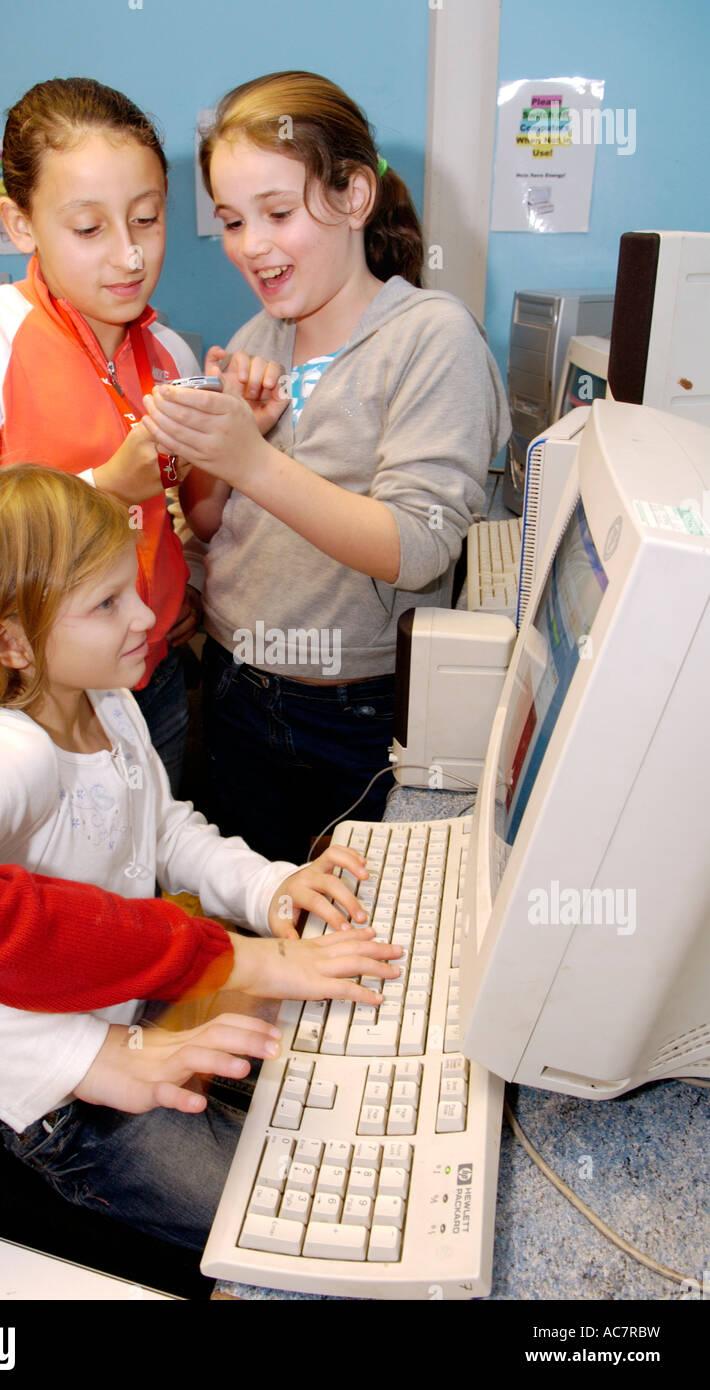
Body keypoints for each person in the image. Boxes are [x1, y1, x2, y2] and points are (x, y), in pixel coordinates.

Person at [0, 464, 400, 1247]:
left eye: (135, 587)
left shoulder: (108, 703)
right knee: (294, 1222)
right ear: (11, 639)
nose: (147, 614)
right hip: (51, 1096)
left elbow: (164, 828)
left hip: (127, 1014)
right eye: (108, 602)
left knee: (324, 1109)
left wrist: (269, 890)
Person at [143, 69, 511, 862]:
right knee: (260, 911)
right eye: (233, 221)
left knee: (357, 930)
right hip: (237, 685)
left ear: (353, 196)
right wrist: (223, 448)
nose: (252, 246)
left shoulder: (429, 338)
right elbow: (211, 521)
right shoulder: (253, 341)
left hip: (356, 713)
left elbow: (416, 547)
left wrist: (254, 458)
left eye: (277, 213)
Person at [0, 77, 207, 793]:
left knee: (142, 881)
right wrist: (107, 486)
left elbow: (191, 524)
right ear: (20, 225)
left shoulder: (173, 354)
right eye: (88, 228)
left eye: (146, 219)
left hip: (153, 683)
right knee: (52, 904)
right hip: (32, 704)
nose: (129, 256)